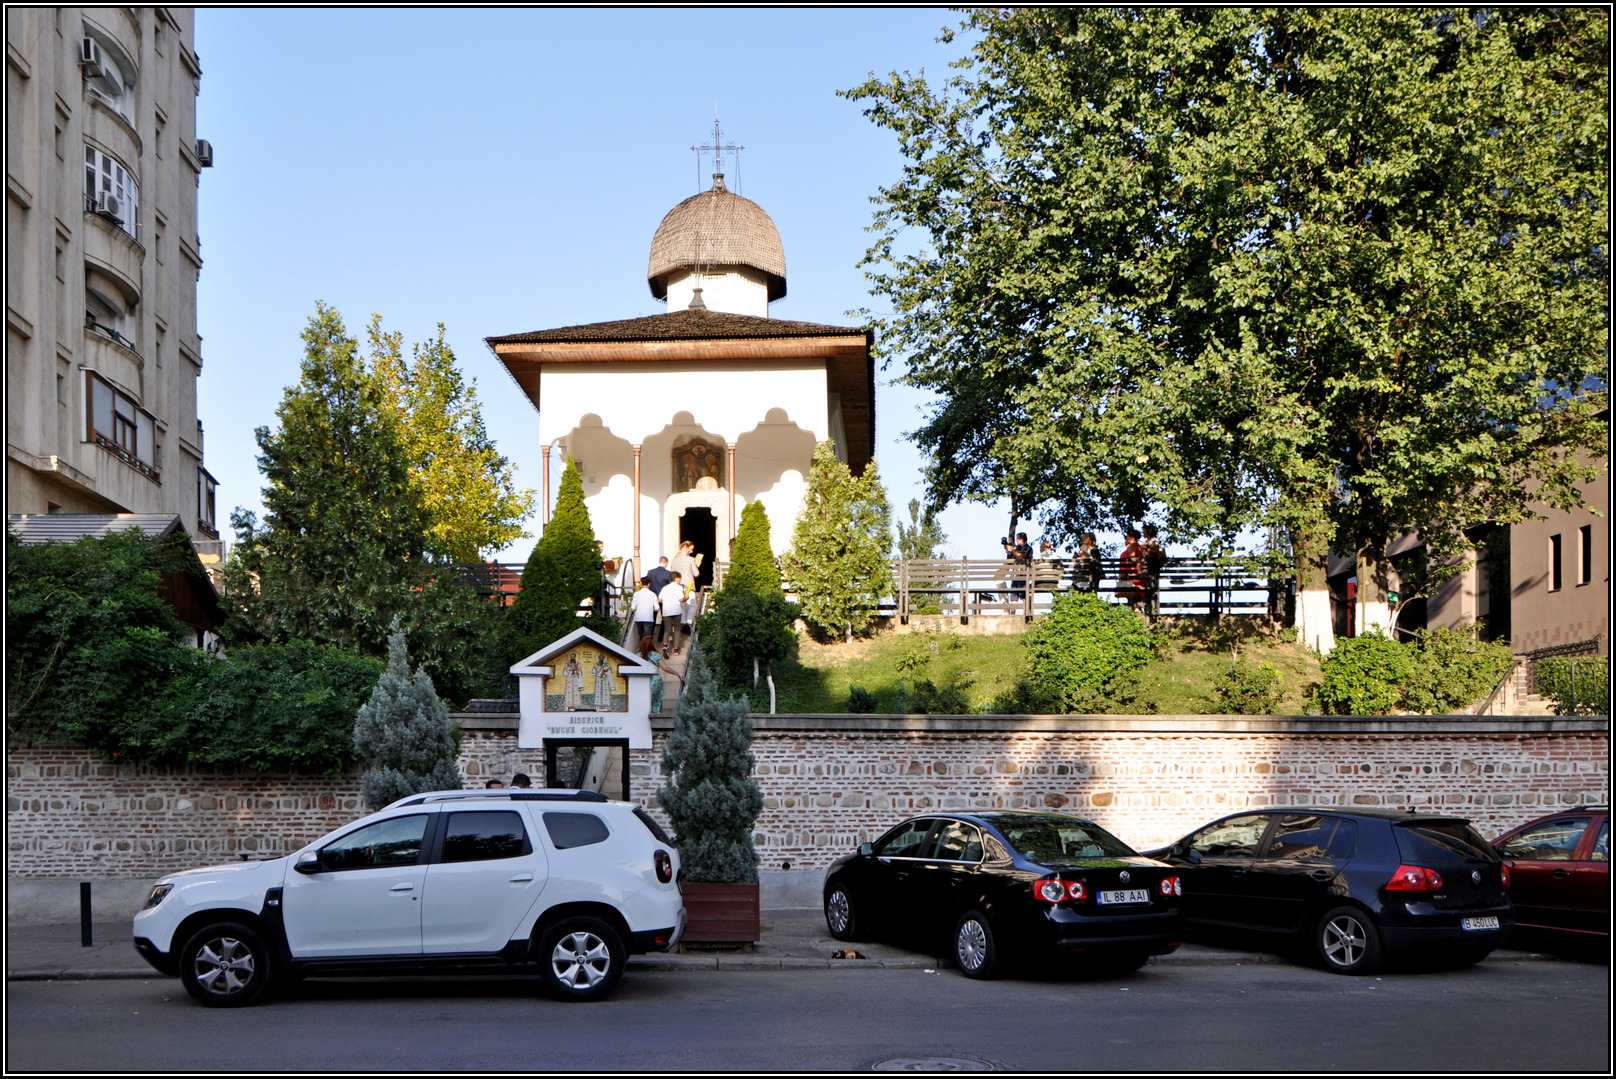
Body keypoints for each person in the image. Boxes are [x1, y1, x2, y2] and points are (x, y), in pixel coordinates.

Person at [638, 634, 679, 714]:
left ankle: (643, 713)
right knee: (656, 700)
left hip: (642, 680)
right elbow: (666, 668)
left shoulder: (637, 655)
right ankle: (655, 714)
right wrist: (676, 673)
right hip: (655, 680)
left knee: (643, 698)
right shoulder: (656, 655)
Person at [1141, 523, 1168, 619]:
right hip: (1147, 569)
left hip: (1152, 568)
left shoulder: (1154, 541)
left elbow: (1154, 551)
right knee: (1148, 590)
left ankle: (1154, 611)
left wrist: (1147, 547)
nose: (1143, 532)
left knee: (1153, 589)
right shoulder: (1148, 541)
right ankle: (1148, 610)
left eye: (1144, 530)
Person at [658, 571, 686, 652]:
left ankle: (665, 645)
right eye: (679, 578)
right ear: (677, 578)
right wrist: (686, 598)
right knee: (677, 629)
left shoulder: (664, 588)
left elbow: (659, 600)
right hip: (676, 610)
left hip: (666, 611)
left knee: (667, 629)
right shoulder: (679, 587)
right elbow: (681, 599)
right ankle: (676, 649)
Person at [1119, 530, 1146, 611]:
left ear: (1132, 537)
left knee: (1134, 594)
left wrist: (1127, 572)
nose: (1126, 540)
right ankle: (1135, 610)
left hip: (1132, 574)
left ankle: (1136, 610)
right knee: (1132, 596)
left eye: (1127, 538)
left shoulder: (1133, 545)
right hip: (1133, 573)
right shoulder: (1137, 546)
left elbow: (1132, 559)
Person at [630, 576, 658, 644]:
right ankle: (647, 648)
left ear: (641, 584)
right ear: (649, 584)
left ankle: (641, 648)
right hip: (648, 618)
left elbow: (633, 608)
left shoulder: (636, 594)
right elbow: (657, 608)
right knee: (647, 636)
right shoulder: (653, 594)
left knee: (641, 635)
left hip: (639, 618)